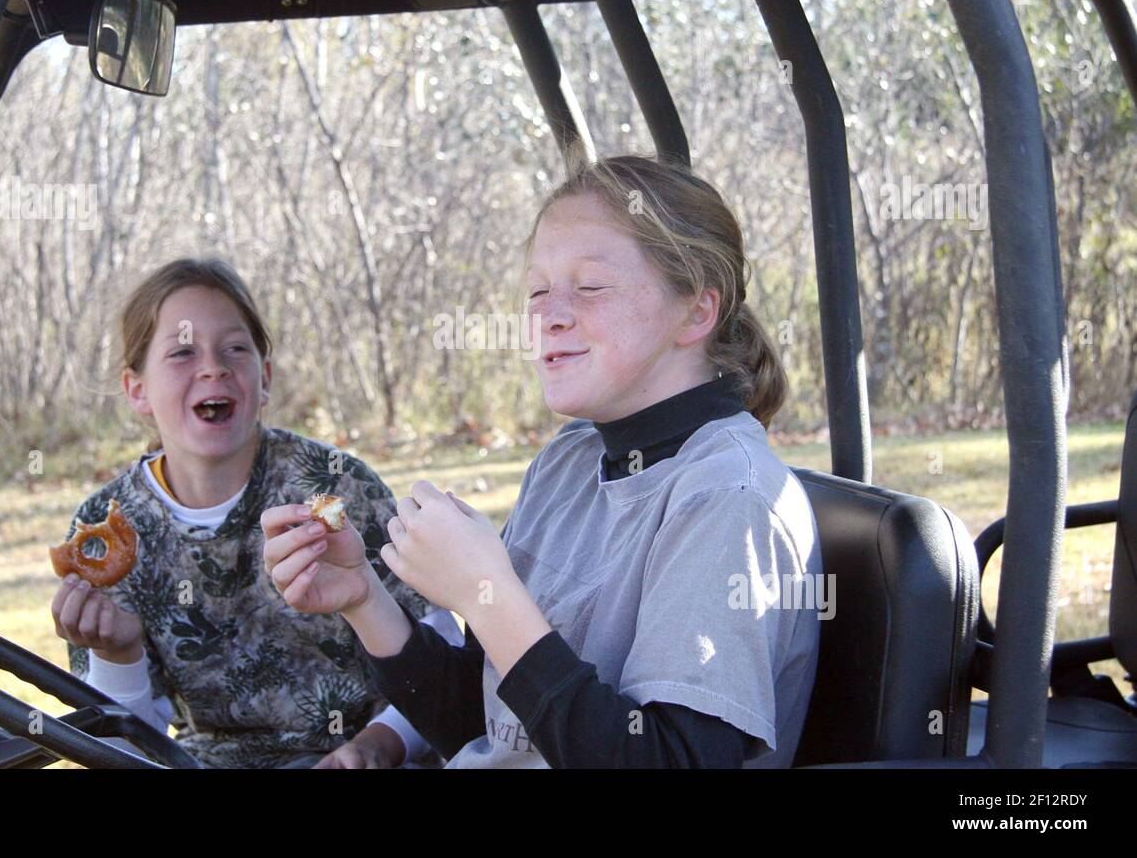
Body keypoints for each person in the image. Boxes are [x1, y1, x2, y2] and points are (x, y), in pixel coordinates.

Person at [263, 154, 824, 767]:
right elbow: (490, 732)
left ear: (696, 310)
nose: (550, 315)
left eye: (589, 287)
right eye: (538, 290)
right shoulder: (570, 460)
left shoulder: (726, 500)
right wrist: (363, 598)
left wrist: (488, 598)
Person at [50, 256, 460, 768]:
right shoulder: (107, 527)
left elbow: (442, 653)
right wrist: (117, 656)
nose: (212, 367)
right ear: (137, 390)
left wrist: (380, 744)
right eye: (181, 352)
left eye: (235, 349)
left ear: (263, 379)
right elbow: (122, 746)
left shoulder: (332, 488)